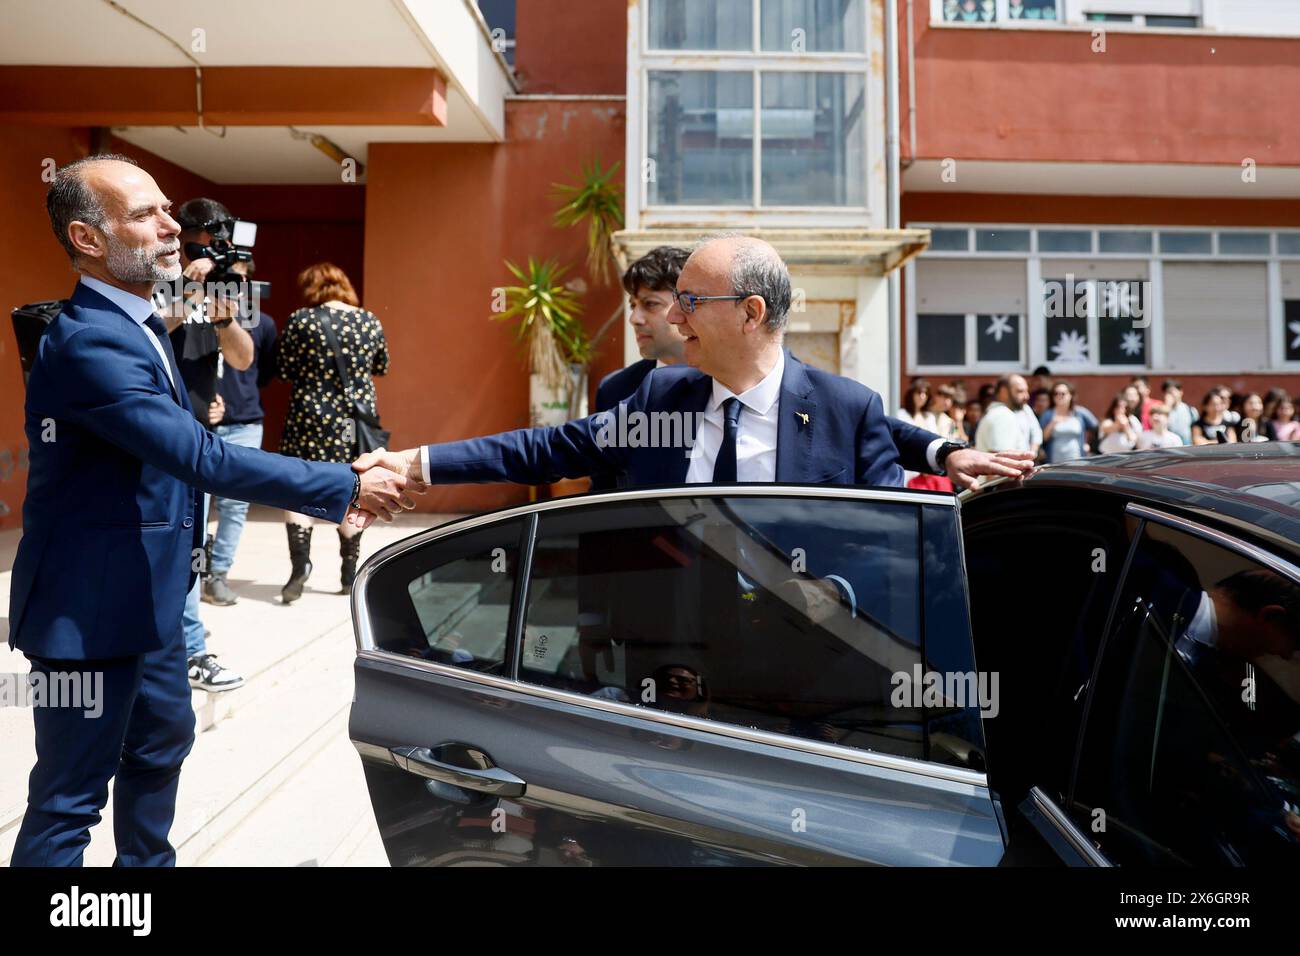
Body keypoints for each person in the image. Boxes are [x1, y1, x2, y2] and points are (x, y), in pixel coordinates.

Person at [9, 154, 415, 867]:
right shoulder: (90, 340)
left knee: (162, 746)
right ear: (88, 238)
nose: (173, 227)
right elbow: (200, 457)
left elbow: (172, 426)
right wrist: (342, 485)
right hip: (90, 612)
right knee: (70, 800)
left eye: (168, 210)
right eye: (145, 214)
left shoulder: (139, 319)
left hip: (153, 600)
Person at [353, 237, 1034, 494]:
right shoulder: (656, 400)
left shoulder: (846, 410)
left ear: (750, 313)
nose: (673, 321)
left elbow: (885, 557)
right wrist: (414, 462)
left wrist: (944, 451)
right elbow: (546, 449)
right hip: (668, 677)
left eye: (688, 304)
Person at [163, 198, 258, 690]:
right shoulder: (161, 282)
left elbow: (242, 360)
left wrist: (224, 318)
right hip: (159, 440)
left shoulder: (221, 289)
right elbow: (156, 328)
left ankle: (186, 648)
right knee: (175, 547)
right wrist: (188, 287)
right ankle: (187, 649)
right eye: (206, 239)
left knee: (189, 548)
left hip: (199, 439)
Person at [276, 262, 391, 601]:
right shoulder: (368, 320)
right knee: (353, 486)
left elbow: (283, 369)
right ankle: (348, 570)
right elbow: (381, 366)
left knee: (298, 486)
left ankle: (300, 568)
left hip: (310, 417)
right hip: (352, 423)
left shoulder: (302, 320)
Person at [203, 257, 278, 606]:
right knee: (195, 503)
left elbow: (263, 373)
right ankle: (197, 568)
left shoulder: (262, 323)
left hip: (246, 421)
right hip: (199, 422)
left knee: (234, 506)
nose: (232, 285)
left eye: (239, 278)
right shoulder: (190, 315)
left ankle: (218, 573)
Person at [592, 246, 689, 490]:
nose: (634, 318)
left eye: (650, 304)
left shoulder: (729, 381)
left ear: (689, 306)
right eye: (633, 304)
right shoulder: (616, 390)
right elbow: (602, 494)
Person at [974, 374, 1033, 453]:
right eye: (1020, 391)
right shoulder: (1002, 416)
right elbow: (1001, 459)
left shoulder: (1000, 413)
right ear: (1003, 391)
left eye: (1027, 391)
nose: (1027, 396)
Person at [1040, 380, 1089, 463]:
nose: (1059, 396)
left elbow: (1096, 427)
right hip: (1054, 463)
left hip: (1077, 461)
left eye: (1063, 393)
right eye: (1056, 393)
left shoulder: (1079, 412)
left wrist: (1087, 443)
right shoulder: (1047, 414)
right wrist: (1052, 424)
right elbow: (1042, 438)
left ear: (1070, 395)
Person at [1162, 378, 1199, 445]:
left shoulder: (1190, 410)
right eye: (1166, 392)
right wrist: (1167, 407)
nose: (1169, 395)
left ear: (1180, 392)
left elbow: (1196, 431)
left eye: (1171, 392)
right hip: (1169, 447)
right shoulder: (1162, 410)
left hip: (1187, 447)